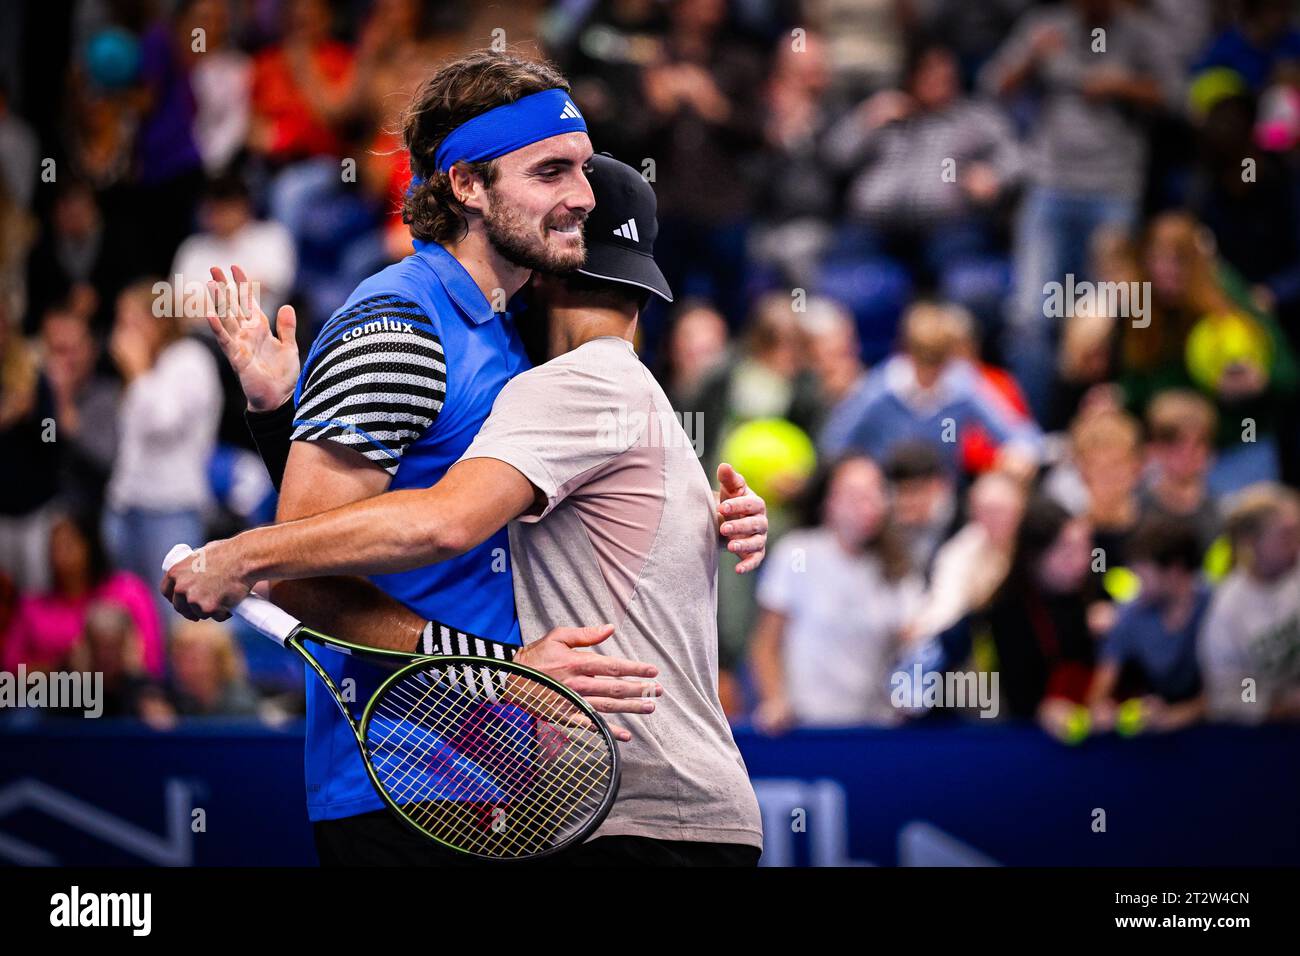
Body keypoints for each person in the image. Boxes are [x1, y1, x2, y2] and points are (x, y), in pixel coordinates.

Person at [164, 52, 767, 866]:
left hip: (517, 785)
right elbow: (305, 572)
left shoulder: (518, 337)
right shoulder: (398, 324)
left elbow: (343, 529)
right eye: (552, 172)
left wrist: (703, 517)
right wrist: (504, 672)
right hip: (406, 792)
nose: (583, 199)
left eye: (585, 172)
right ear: (466, 186)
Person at [749, 455, 922, 733]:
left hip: (874, 727)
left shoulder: (899, 567)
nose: (865, 505)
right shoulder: (797, 552)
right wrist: (774, 700)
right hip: (806, 724)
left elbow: (913, 644)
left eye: (874, 494)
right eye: (853, 495)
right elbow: (766, 643)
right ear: (828, 500)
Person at [102, 279, 222, 629]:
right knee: (129, 616)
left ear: (159, 321)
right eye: (120, 322)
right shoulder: (145, 367)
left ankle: (174, 684)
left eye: (131, 322)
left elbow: (162, 422)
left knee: (173, 616)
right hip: (126, 504)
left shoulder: (189, 359)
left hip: (171, 509)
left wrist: (137, 370)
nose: (122, 333)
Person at [2, 511, 164, 678]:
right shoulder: (33, 607)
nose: (61, 556)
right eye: (55, 546)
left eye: (69, 544)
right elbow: (10, 670)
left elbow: (151, 661)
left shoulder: (127, 592)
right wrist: (62, 667)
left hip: (125, 691)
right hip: (54, 695)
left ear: (90, 545)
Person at [1087, 516, 1208, 734]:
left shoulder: (1216, 606)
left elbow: (1236, 690)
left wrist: (1182, 715)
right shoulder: (1130, 612)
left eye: (1142, 573)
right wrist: (1104, 711)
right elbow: (1099, 691)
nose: (1136, 582)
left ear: (1175, 571)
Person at [1199, 483, 1300, 723]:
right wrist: (1279, 708)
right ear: (1251, 542)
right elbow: (1224, 694)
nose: (1296, 543)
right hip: (1271, 731)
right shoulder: (1228, 609)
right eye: (1286, 535)